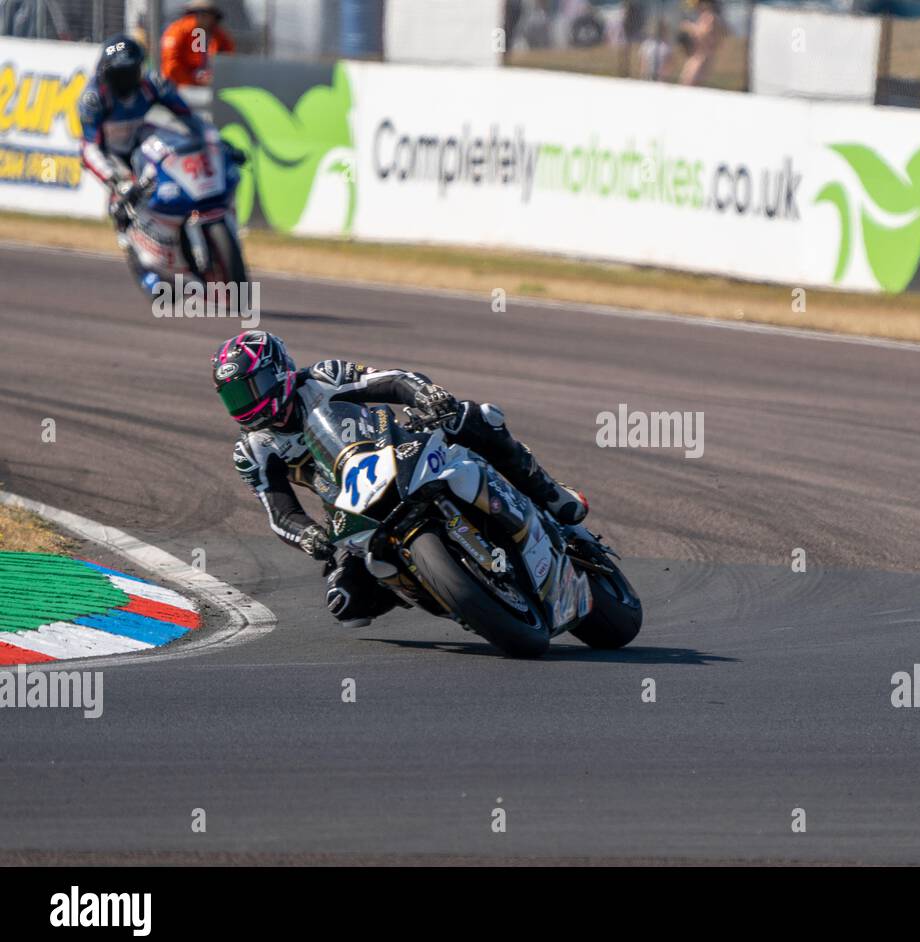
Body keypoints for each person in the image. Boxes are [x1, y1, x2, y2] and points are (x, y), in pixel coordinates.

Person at [212, 331, 590, 628]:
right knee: (346, 604)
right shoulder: (253, 451)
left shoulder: (323, 378)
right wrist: (310, 535)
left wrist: (426, 394)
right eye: (232, 397)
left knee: (474, 416)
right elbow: (280, 513)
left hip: (398, 449)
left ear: (276, 373)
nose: (243, 405)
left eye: (249, 390)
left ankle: (550, 493)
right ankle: (438, 588)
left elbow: (391, 381)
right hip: (349, 505)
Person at [79, 34, 207, 295]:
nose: (127, 80)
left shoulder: (153, 84)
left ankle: (190, 222)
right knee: (120, 208)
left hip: (142, 141)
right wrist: (113, 179)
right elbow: (89, 148)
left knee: (170, 150)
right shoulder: (93, 98)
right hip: (112, 155)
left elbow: (187, 117)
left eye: (131, 72)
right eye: (120, 74)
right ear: (106, 73)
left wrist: (207, 140)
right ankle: (146, 273)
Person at [160, 0, 234, 87]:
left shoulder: (219, 34)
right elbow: (171, 65)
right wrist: (192, 82)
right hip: (178, 87)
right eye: (200, 13)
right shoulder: (178, 31)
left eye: (208, 14)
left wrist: (215, 79)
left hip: (211, 87)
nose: (204, 18)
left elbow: (229, 62)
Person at [677, 0, 725, 86]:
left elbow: (704, 35)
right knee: (685, 80)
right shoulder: (703, 17)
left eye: (699, 5)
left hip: (703, 56)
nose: (696, 8)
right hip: (696, 55)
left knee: (691, 82)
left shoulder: (711, 17)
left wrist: (690, 27)